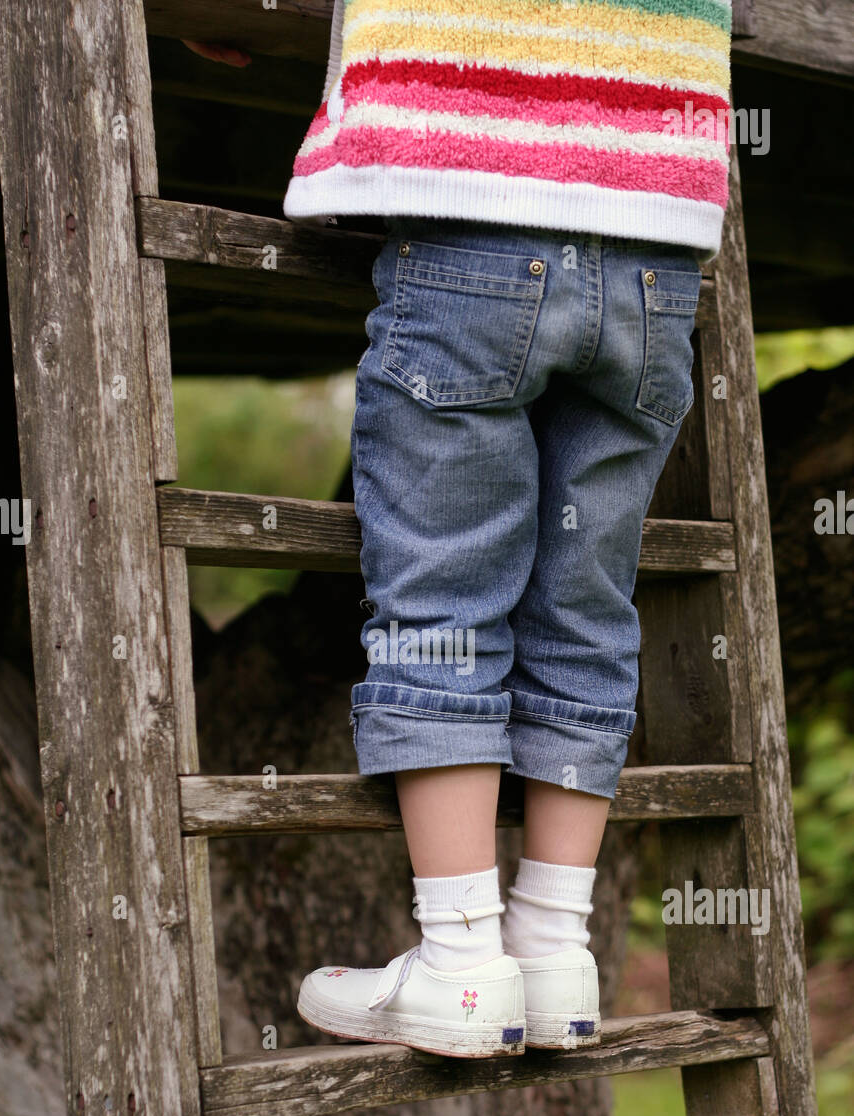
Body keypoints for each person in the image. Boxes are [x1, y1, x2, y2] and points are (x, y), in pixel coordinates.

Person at [184, 1, 732, 1058]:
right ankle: (550, 948)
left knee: (440, 600)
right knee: (586, 598)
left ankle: (458, 959)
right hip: (656, 239)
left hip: (471, 197)